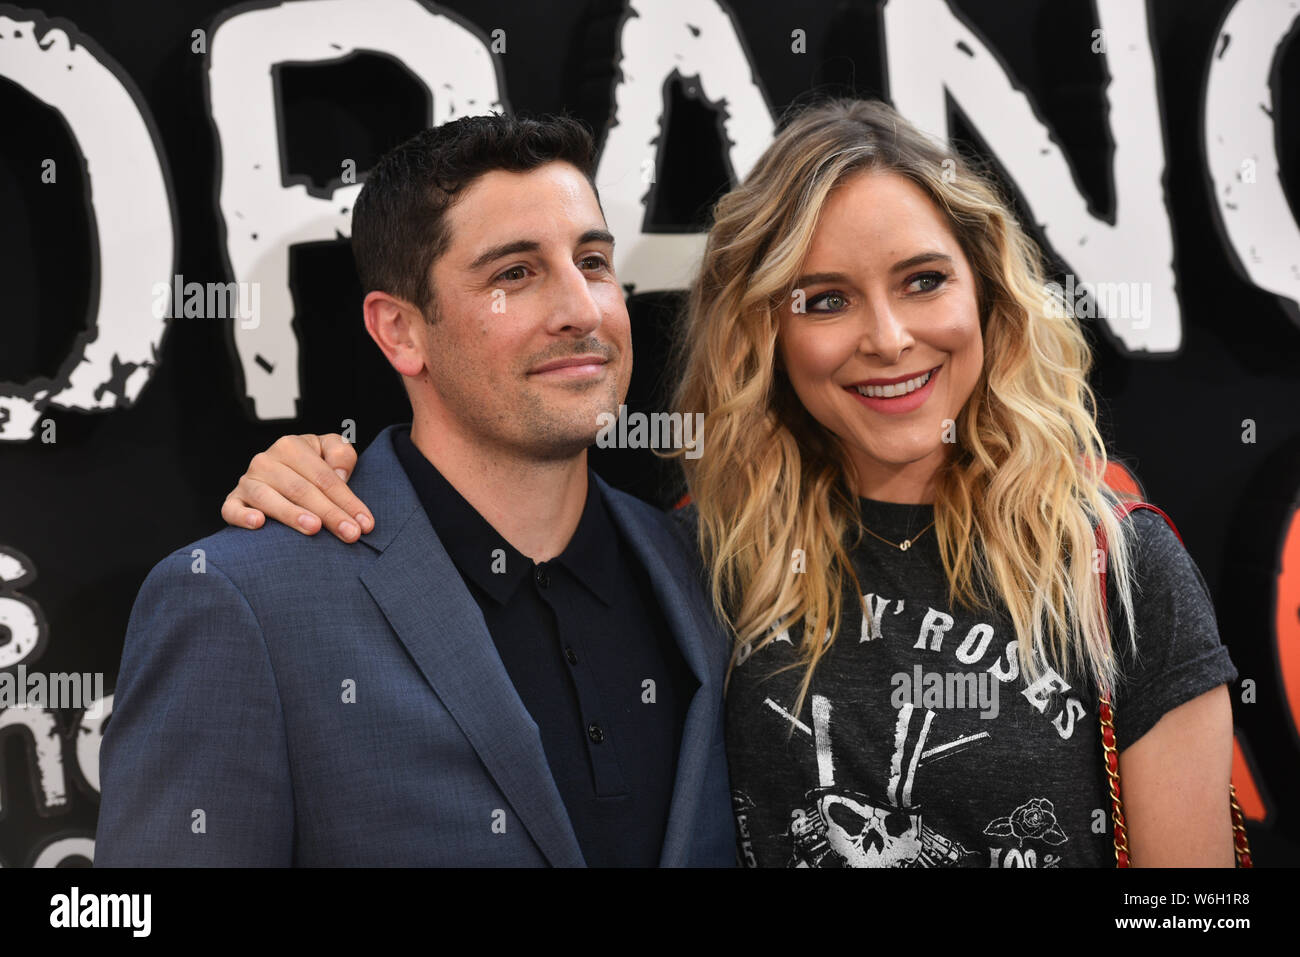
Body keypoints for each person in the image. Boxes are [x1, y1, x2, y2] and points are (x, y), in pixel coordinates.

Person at [219, 99, 1239, 867]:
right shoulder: (714, 561)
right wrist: (323, 475)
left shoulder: (1111, 565)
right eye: (828, 298)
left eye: (924, 280)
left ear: (988, 295)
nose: (888, 340)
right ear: (772, 331)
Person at [95, 114, 735, 867]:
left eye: (592, 261)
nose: (581, 310)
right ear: (400, 331)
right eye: (514, 274)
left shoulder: (714, 574)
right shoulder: (243, 606)